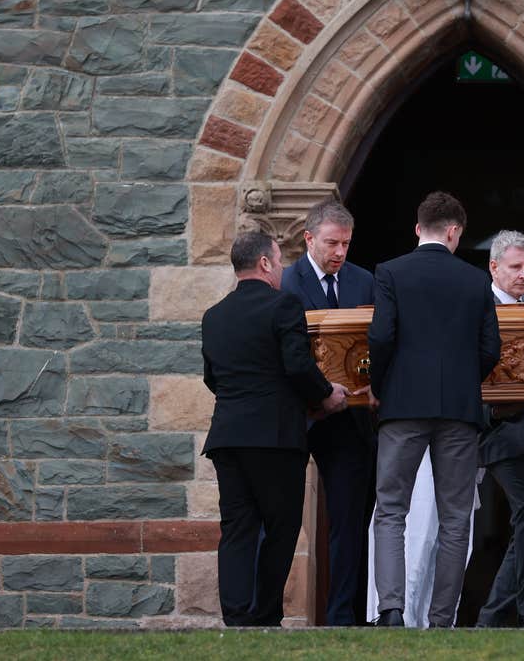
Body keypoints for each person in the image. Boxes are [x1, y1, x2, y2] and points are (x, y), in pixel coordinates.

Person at [201, 231, 349, 627]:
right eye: (279, 260)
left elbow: (212, 378)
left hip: (228, 437)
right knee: (281, 528)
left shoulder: (213, 316)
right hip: (275, 438)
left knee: (236, 529)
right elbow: (298, 365)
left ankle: (236, 618)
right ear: (265, 263)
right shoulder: (284, 305)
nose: (283, 268)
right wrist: (325, 396)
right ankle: (265, 615)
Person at [369, 191, 502, 628]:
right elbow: (490, 348)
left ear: (417, 228)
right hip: (459, 409)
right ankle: (441, 618)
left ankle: (390, 609)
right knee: (455, 518)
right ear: (453, 231)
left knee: (391, 509)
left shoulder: (390, 271)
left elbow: (382, 337)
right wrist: (464, 379)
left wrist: (381, 385)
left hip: (403, 403)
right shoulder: (475, 280)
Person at [280, 199, 376, 627]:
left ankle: (341, 616)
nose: (340, 252)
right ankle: (269, 611)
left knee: (349, 523)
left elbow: (375, 343)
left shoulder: (365, 282)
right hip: (298, 416)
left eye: (346, 244)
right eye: (332, 243)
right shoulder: (285, 282)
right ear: (308, 239)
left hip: (349, 423)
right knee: (281, 516)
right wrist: (318, 395)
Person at [475, 230, 524, 629]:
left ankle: (521, 615)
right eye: (515, 267)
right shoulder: (477, 308)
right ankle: (510, 615)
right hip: (496, 432)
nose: (523, 275)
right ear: (494, 267)